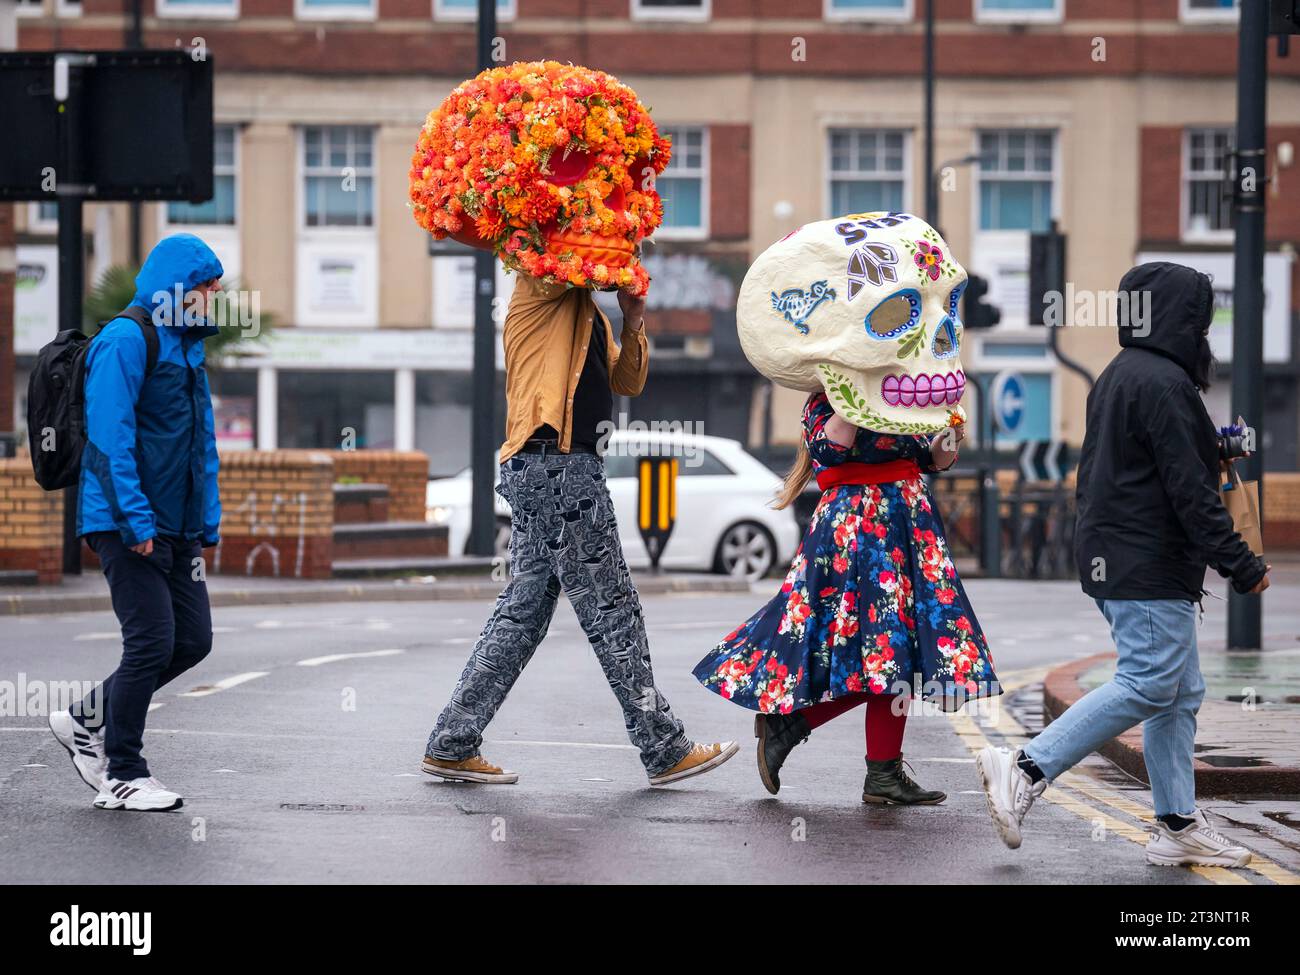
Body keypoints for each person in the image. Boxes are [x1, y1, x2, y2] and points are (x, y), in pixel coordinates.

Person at [977, 261, 1268, 867]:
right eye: (1199, 317)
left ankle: (1177, 821)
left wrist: (1212, 443)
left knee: (1179, 692)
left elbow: (1147, 461)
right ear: (1182, 319)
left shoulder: (1122, 374)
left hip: (1119, 552)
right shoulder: (1167, 384)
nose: (1203, 331)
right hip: (1147, 558)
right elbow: (1191, 494)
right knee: (1149, 682)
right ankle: (1025, 767)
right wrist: (1240, 564)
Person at [423, 275, 738, 786]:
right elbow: (573, 263)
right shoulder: (540, 288)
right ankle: (663, 747)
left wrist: (633, 316)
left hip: (554, 467)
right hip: (557, 466)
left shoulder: (589, 314)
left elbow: (628, 381)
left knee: (523, 612)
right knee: (612, 607)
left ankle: (452, 742)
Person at [693, 392, 999, 804]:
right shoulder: (827, 399)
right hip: (855, 529)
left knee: (897, 652)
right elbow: (830, 448)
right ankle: (835, 748)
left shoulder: (906, 397)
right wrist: (855, 389)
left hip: (908, 523)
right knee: (863, 651)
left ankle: (873, 769)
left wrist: (951, 428)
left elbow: (935, 460)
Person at [47, 234, 225, 812]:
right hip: (128, 521)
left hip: (176, 526)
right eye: (206, 286)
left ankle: (84, 719)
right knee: (150, 641)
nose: (215, 296)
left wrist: (205, 524)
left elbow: (201, 447)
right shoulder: (126, 340)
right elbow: (108, 439)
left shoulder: (186, 347)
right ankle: (122, 772)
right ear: (178, 287)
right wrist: (134, 519)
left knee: (191, 639)